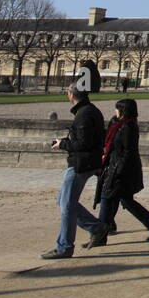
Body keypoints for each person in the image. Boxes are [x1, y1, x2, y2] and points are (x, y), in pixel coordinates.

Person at [42, 80, 108, 260]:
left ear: (71, 95)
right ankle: (96, 227)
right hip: (88, 162)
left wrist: (63, 143)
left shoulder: (84, 114)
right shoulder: (90, 110)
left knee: (66, 205)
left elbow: (83, 143)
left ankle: (64, 246)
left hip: (81, 164)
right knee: (64, 201)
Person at [84, 99, 149, 247]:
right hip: (117, 167)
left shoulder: (128, 127)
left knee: (107, 198)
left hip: (120, 170)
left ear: (123, 110)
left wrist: (118, 170)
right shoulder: (119, 125)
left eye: (117, 109)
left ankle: (100, 235)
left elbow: (128, 152)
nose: (115, 111)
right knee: (124, 200)